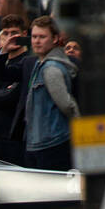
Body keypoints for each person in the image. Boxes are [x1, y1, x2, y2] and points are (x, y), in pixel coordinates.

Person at [24, 16, 78, 173]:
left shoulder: (51, 68)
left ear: (55, 39)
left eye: (42, 37)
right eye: (34, 37)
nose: (37, 41)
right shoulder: (40, 64)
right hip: (40, 141)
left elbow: (67, 104)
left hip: (52, 143)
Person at [0, 15, 32, 166]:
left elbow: (10, 97)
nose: (10, 37)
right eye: (6, 33)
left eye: (14, 33)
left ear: (24, 34)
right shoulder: (0, 60)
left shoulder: (27, 61)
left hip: (13, 133)